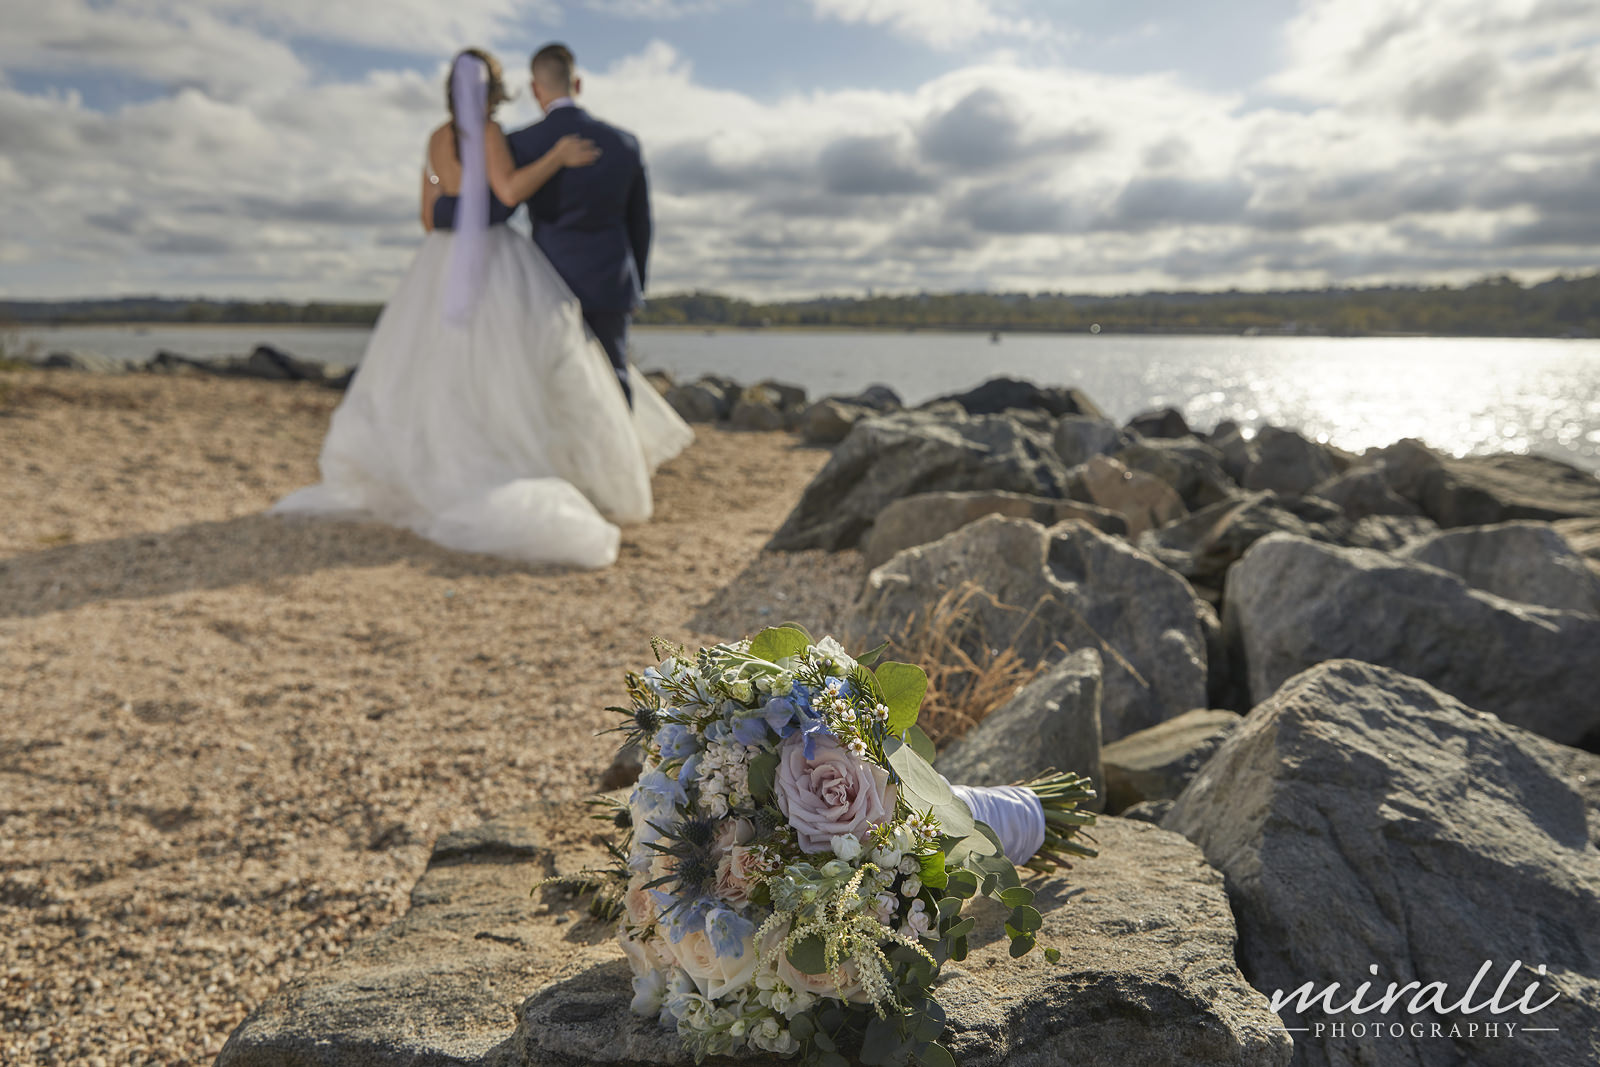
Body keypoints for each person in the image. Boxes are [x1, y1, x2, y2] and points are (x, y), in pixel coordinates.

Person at [272, 48, 692, 569]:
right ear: (498, 89)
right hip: (518, 264)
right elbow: (510, 192)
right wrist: (556, 160)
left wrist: (450, 187)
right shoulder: (502, 136)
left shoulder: (437, 139)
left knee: (441, 367)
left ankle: (435, 464)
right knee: (532, 374)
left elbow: (430, 216)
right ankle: (606, 475)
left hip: (439, 267)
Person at [437, 43, 649, 406]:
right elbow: (641, 224)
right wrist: (636, 284)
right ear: (577, 83)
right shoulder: (625, 143)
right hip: (612, 281)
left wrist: (439, 206)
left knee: (552, 382)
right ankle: (621, 461)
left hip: (550, 281)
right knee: (614, 376)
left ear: (536, 88)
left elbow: (498, 209)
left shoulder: (522, 142)